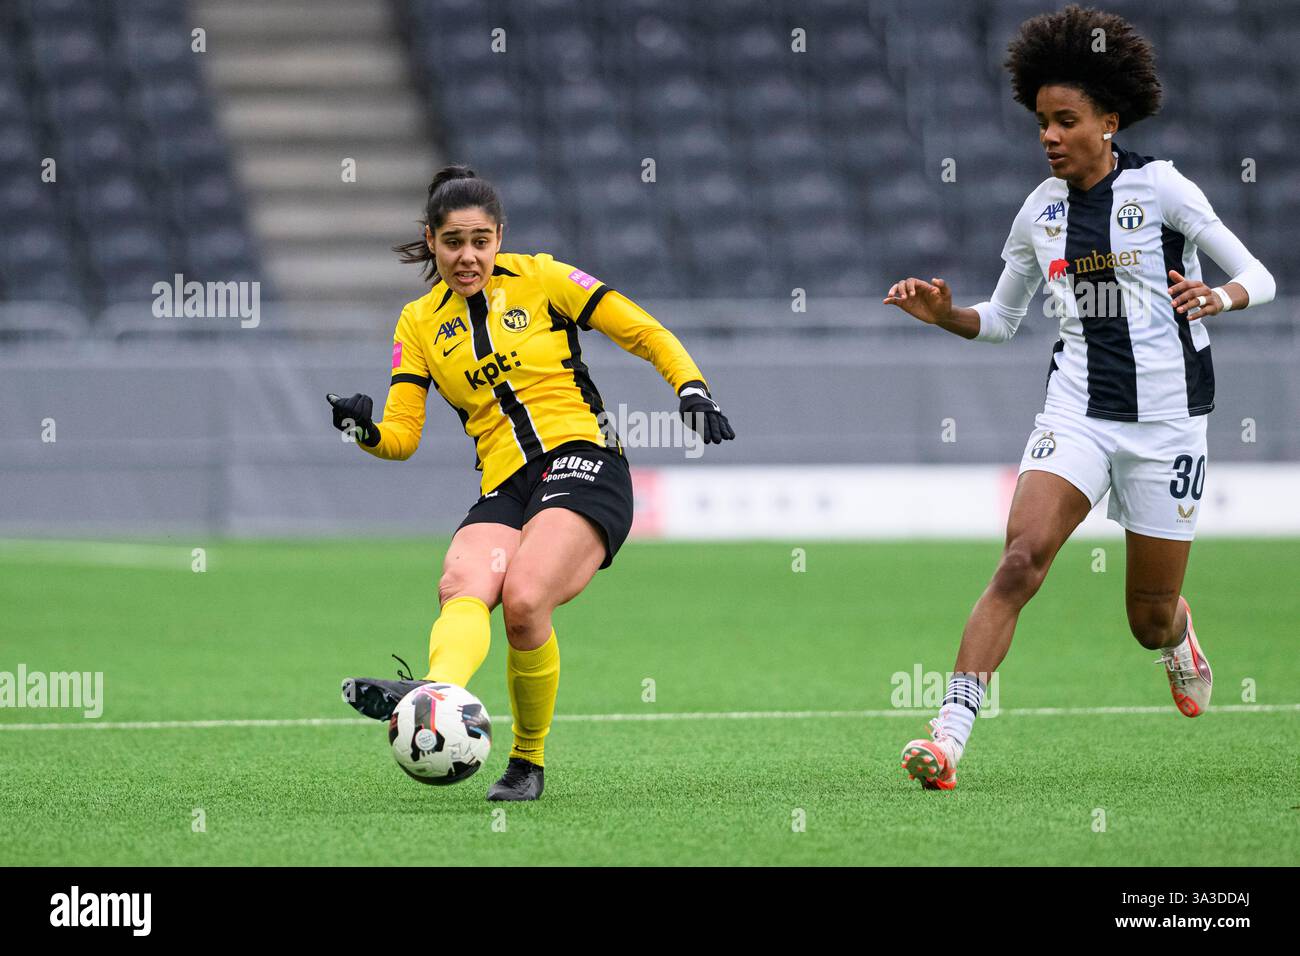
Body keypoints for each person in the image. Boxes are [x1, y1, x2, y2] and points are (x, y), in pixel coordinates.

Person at [882, 6, 1275, 791]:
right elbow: (1000, 320)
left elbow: (1259, 276)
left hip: (1168, 427)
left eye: (1066, 122)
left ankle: (1180, 635)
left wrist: (1217, 297)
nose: (1050, 137)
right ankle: (949, 733)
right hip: (1078, 414)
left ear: (1108, 120)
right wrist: (945, 316)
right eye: (1041, 125)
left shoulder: (1161, 190)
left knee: (1146, 620)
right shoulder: (1041, 212)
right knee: (1021, 561)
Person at [328, 165, 734, 800]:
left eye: (481, 240)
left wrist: (691, 388)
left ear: (498, 238)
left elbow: (644, 331)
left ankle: (527, 762)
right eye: (454, 241)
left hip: (584, 462)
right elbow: (401, 438)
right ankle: (438, 691)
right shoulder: (418, 322)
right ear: (431, 241)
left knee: (521, 602)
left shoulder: (544, 277)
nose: (468, 256)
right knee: (462, 582)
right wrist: (363, 431)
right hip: (506, 484)